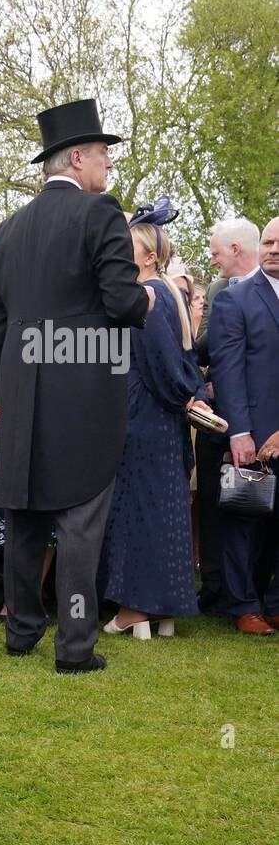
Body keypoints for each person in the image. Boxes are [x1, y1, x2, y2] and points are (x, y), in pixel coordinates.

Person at [0, 99, 152, 674]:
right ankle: (75, 646)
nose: (108, 165)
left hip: (23, 392)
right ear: (77, 158)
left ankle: (22, 629)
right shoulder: (100, 213)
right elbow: (124, 303)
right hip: (83, 391)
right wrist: (151, 298)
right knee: (79, 518)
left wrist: (7, 392)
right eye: (104, 153)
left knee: (26, 514)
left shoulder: (3, 233)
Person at [100, 212, 210, 640]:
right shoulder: (171, 293)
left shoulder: (145, 294)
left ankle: (133, 610)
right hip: (164, 419)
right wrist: (188, 395)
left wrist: (182, 394)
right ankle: (163, 611)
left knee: (137, 511)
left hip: (143, 414)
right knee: (165, 510)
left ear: (146, 254)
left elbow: (161, 363)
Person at [209, 215, 279, 635]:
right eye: (269, 242)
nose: (273, 249)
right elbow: (227, 369)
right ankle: (243, 606)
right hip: (251, 431)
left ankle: (275, 603)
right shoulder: (234, 300)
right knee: (243, 519)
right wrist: (240, 432)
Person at [193, 217, 261, 614]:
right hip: (215, 416)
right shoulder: (219, 291)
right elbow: (203, 347)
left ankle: (250, 590)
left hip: (256, 417)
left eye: (216, 251)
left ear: (235, 249)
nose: (212, 258)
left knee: (252, 504)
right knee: (212, 501)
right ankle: (215, 588)